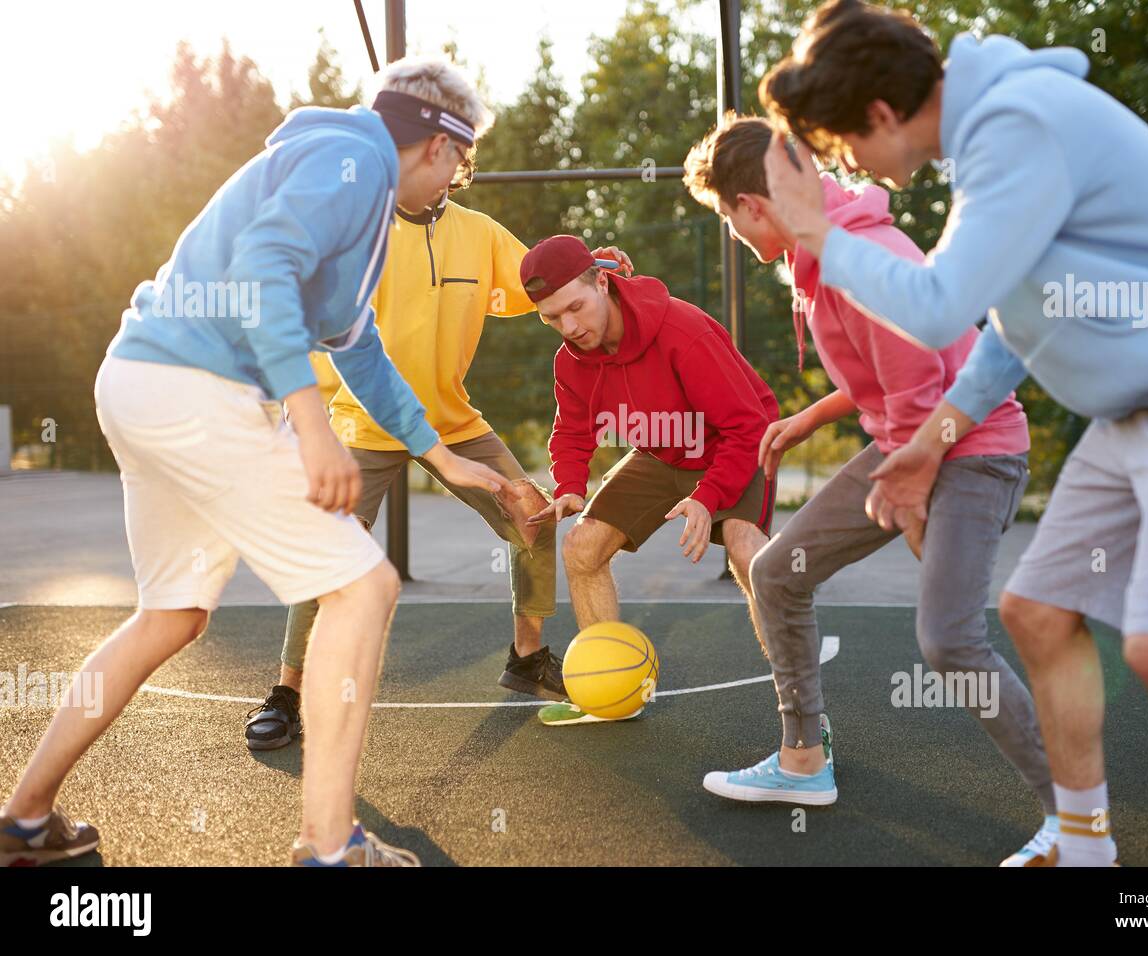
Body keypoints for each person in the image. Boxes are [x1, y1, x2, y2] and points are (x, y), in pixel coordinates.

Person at [760, 0, 1148, 866]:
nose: (847, 167)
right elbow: (1018, 325)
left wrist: (814, 230)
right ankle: (1083, 844)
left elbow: (939, 312)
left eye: (841, 147)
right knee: (1038, 611)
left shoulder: (1017, 125)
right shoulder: (992, 143)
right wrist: (933, 441)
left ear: (882, 115)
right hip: (1144, 405)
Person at [0, 59, 516, 867]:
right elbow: (263, 269)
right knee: (362, 586)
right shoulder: (358, 159)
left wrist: (440, 453)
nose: (460, 177)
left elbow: (359, 348)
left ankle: (24, 819)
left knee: (172, 612)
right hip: (198, 390)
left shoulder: (354, 188)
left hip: (145, 382)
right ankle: (328, 844)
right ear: (436, 143)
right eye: (464, 157)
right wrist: (310, 425)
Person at [683, 113, 1057, 865]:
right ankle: (802, 761)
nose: (735, 234)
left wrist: (910, 500)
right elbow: (881, 378)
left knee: (951, 639)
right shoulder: (822, 259)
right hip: (905, 444)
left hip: (968, 450)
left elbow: (920, 385)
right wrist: (811, 415)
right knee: (776, 573)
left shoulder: (859, 257)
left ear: (753, 207)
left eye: (728, 219)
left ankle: (1074, 814)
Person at [244, 58, 615, 751]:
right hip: (360, 419)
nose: (453, 170)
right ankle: (287, 690)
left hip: (451, 419)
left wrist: (593, 269)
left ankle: (526, 658)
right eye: (450, 156)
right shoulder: (361, 228)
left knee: (533, 518)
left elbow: (541, 277)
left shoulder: (479, 233)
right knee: (327, 551)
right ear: (430, 149)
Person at [521, 235, 780, 726]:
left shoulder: (682, 331)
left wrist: (707, 497)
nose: (569, 327)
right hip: (661, 452)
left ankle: (802, 713)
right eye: (552, 318)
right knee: (581, 548)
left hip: (734, 443)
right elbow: (573, 430)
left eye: (575, 308)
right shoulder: (569, 360)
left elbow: (746, 427)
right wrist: (570, 485)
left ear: (603, 280)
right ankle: (608, 689)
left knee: (750, 555)